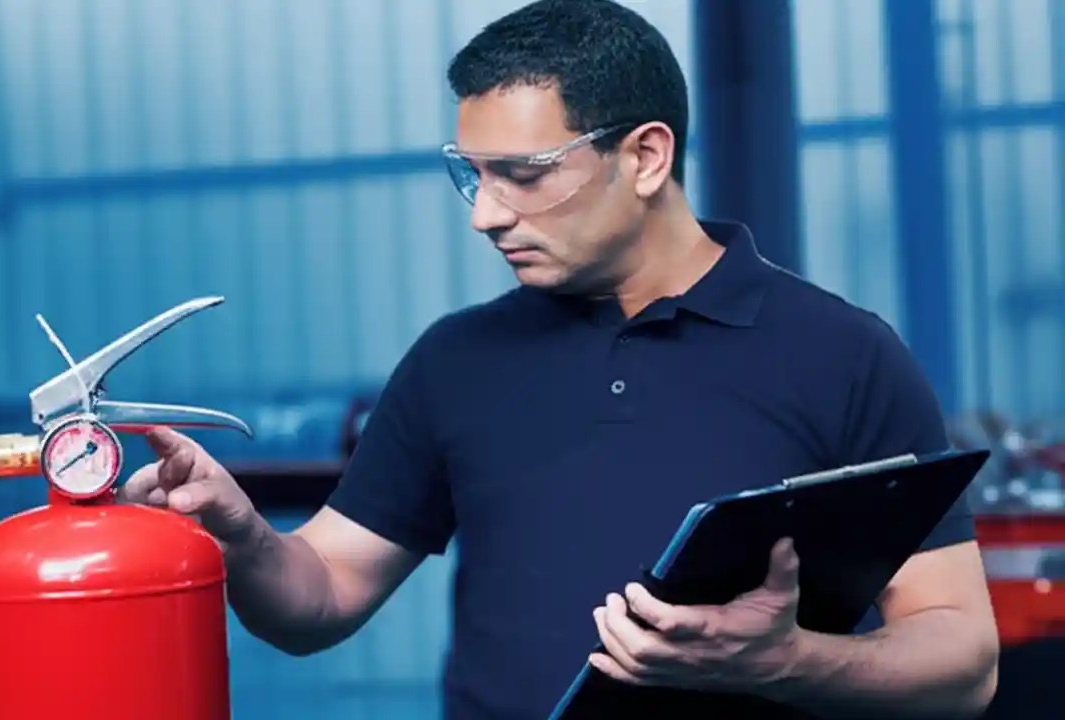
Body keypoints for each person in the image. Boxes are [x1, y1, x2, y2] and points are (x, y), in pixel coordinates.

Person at [121, 0, 999, 717]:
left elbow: (962, 658)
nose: (486, 215)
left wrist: (787, 661)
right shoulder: (456, 362)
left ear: (647, 156)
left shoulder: (843, 355)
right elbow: (316, 603)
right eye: (472, 175)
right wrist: (241, 535)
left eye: (524, 174)